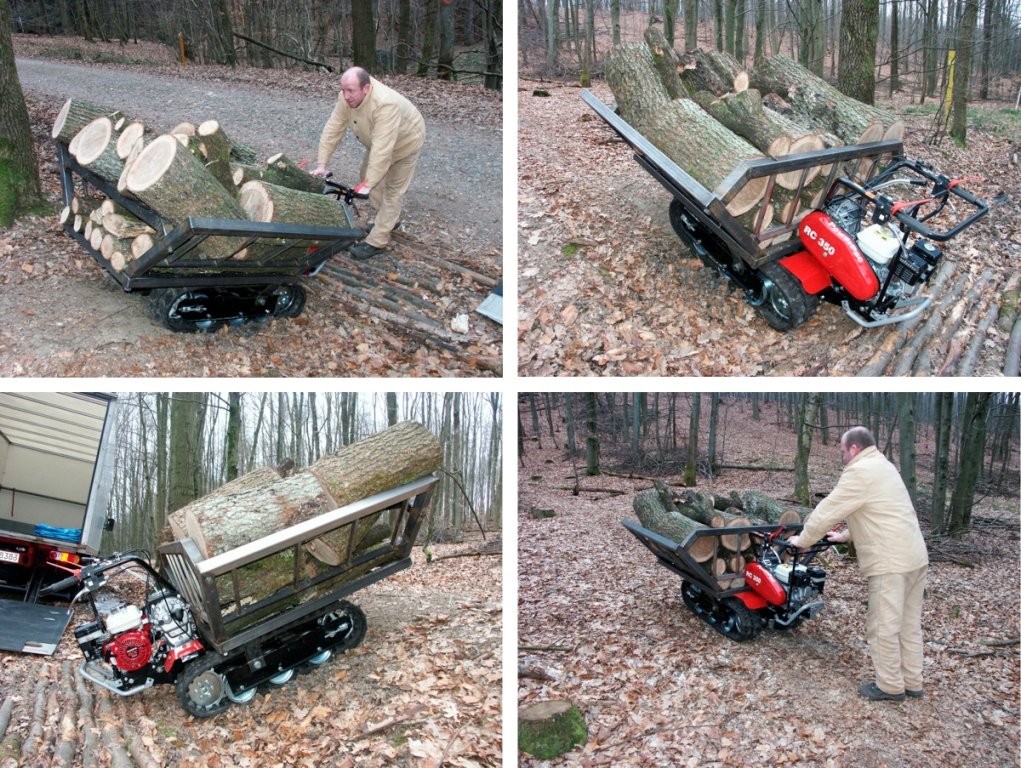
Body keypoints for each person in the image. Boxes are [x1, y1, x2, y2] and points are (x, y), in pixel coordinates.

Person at [787, 426, 929, 702]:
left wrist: (803, 540)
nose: (842, 456)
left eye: (843, 451)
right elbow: (882, 511)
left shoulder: (859, 471)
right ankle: (913, 682)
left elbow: (827, 510)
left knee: (883, 627)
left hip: (891, 563)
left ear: (854, 448)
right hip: (915, 557)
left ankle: (890, 686)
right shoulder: (884, 467)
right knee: (909, 626)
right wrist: (845, 535)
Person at [311, 67, 425, 261]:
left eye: (351, 91)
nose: (346, 96)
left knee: (392, 191)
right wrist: (322, 163)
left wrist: (370, 184)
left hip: (406, 142)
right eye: (343, 90)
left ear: (366, 88)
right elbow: (333, 128)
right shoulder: (346, 98)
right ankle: (388, 221)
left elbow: (382, 149)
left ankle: (377, 242)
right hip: (380, 142)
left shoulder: (385, 104)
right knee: (367, 176)